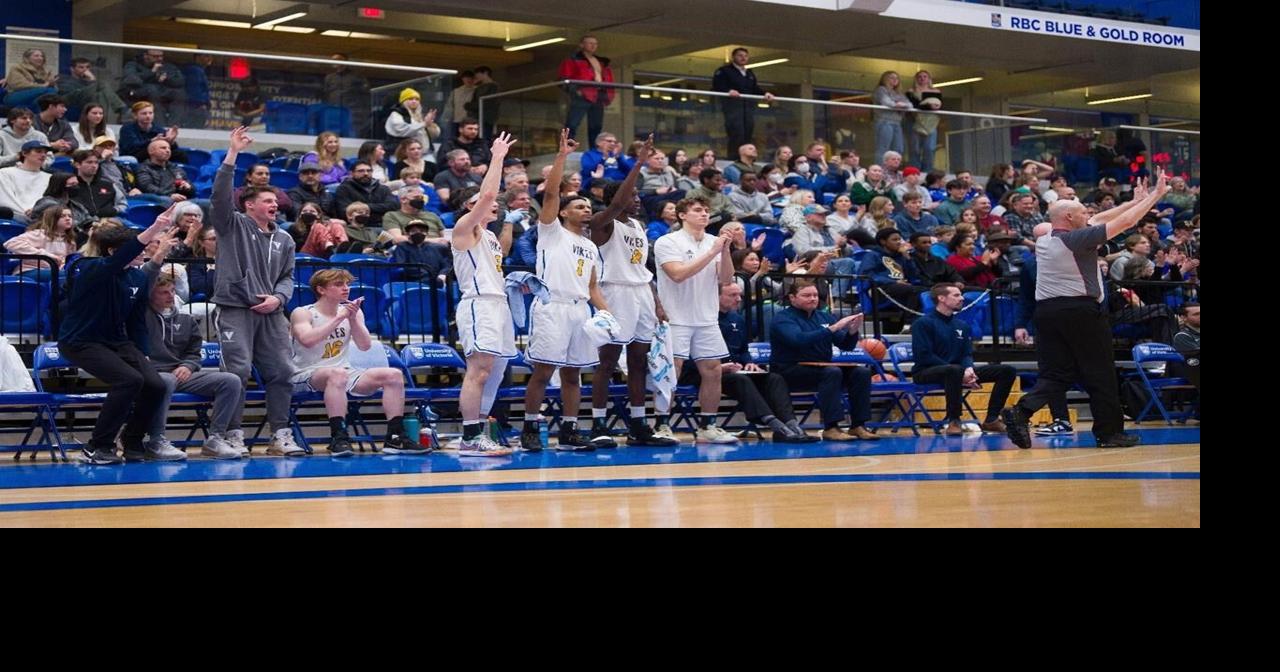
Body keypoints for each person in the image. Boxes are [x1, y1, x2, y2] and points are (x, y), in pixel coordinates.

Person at [1002, 173, 1172, 450]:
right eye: (1083, 212)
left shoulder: (1046, 237)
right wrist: (1155, 196)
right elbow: (1126, 223)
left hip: (1047, 312)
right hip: (1079, 311)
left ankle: (1021, 411)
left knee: (1056, 373)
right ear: (1069, 218)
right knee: (1101, 372)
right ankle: (1109, 433)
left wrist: (1132, 201)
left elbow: (1100, 218)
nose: (1089, 215)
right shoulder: (1077, 239)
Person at [58, 205, 183, 465]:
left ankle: (133, 440)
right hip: (81, 341)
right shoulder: (89, 267)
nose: (144, 252)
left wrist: (143, 353)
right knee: (128, 380)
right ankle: (97, 446)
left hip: (117, 341)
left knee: (156, 384)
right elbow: (118, 260)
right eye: (138, 248)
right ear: (114, 251)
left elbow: (136, 321)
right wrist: (155, 228)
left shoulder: (137, 277)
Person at [520, 129, 614, 451]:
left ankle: (570, 430)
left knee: (574, 374)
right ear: (563, 212)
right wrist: (562, 156)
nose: (586, 209)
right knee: (543, 371)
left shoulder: (590, 245)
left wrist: (608, 314)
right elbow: (550, 195)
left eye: (588, 207)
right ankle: (530, 427)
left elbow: (592, 287)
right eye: (579, 206)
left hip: (579, 310)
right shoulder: (552, 232)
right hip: (552, 306)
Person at [210, 127, 300, 458]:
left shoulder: (286, 239)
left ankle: (280, 435)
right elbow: (219, 197)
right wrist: (232, 154)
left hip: (272, 313)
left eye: (276, 201)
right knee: (238, 372)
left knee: (283, 371)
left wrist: (279, 298)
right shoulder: (231, 224)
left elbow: (288, 277)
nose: (275, 204)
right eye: (267, 201)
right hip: (235, 308)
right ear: (249, 205)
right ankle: (231, 434)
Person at [586, 136, 680, 448]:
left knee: (640, 360)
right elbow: (615, 205)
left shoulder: (639, 227)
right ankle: (598, 423)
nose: (637, 199)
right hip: (615, 293)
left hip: (641, 293)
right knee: (608, 360)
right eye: (632, 195)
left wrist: (657, 302)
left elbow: (642, 269)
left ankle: (638, 424)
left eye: (639, 195)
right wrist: (639, 163)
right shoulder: (602, 222)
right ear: (617, 197)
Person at [289, 269, 422, 456]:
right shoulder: (303, 313)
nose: (346, 288)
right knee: (337, 374)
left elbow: (365, 345)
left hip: (343, 372)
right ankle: (339, 437)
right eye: (338, 284)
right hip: (304, 373)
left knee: (393, 375)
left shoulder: (352, 312)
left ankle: (395, 437)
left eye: (347, 284)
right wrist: (339, 318)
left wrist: (353, 320)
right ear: (321, 289)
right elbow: (307, 340)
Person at [449, 133, 520, 457]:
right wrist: (498, 157)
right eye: (484, 201)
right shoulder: (465, 228)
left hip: (498, 304)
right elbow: (490, 192)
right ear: (470, 206)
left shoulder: (489, 236)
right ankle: (469, 436)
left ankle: (480, 429)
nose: (494, 203)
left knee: (496, 371)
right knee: (478, 370)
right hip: (479, 305)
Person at [653, 194, 740, 444]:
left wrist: (724, 251)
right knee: (671, 371)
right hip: (675, 317)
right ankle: (661, 425)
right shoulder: (667, 241)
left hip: (706, 317)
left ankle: (708, 426)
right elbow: (678, 274)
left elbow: (726, 279)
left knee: (713, 371)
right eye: (698, 210)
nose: (704, 214)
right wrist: (713, 251)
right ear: (682, 215)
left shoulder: (714, 242)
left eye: (706, 211)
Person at [680, 283, 815, 442]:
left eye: (740, 295)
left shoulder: (737, 319)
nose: (739, 299)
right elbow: (685, 356)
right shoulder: (699, 320)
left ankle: (791, 424)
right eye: (733, 295)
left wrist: (749, 362)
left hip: (735, 370)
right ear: (715, 297)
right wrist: (718, 367)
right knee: (740, 380)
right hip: (702, 373)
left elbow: (743, 349)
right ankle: (773, 423)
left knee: (774, 378)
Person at [144, 273, 244, 460]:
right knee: (166, 381)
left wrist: (188, 366)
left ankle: (215, 439)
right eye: (164, 292)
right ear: (150, 294)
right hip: (153, 375)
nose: (170, 295)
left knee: (231, 380)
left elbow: (194, 351)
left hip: (182, 374)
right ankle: (156, 440)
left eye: (172, 291)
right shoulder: (140, 318)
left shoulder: (186, 319)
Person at [769, 280, 879, 441]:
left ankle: (858, 425)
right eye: (806, 295)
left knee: (861, 372)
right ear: (792, 298)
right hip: (789, 370)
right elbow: (798, 340)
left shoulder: (824, 316)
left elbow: (845, 345)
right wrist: (832, 329)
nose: (813, 298)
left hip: (820, 368)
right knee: (831, 372)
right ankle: (831, 427)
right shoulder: (782, 319)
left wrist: (852, 332)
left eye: (815, 295)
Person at [912, 283, 1016, 435]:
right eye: (956, 295)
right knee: (953, 370)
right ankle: (954, 420)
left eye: (961, 295)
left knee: (1007, 371)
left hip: (957, 372)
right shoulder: (922, 323)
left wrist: (968, 369)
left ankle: (992, 419)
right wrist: (961, 373)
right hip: (926, 371)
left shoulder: (962, 325)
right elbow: (924, 355)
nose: (961, 298)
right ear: (941, 298)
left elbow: (966, 354)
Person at [712, 48, 774, 155]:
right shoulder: (724, 71)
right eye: (740, 55)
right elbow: (717, 85)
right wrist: (728, 91)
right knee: (736, 134)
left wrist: (765, 94)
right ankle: (734, 158)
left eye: (745, 56)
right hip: (733, 107)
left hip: (748, 108)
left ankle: (745, 157)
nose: (743, 58)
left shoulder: (749, 73)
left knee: (747, 133)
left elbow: (754, 89)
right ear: (733, 57)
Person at [558, 36, 615, 144]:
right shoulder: (573, 60)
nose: (593, 46)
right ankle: (566, 147)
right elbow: (564, 79)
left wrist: (608, 94)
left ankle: (594, 149)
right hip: (582, 95)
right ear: (582, 45)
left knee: (596, 126)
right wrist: (576, 91)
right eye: (590, 43)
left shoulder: (601, 62)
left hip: (598, 95)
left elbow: (607, 78)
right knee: (572, 124)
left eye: (595, 43)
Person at [59, 57, 130, 124]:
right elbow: (73, 95)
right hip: (70, 100)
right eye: (81, 67)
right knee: (101, 84)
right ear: (72, 69)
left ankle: (101, 121)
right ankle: (122, 109)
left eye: (87, 67)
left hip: (87, 102)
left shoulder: (86, 82)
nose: (85, 70)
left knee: (100, 94)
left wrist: (91, 83)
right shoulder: (65, 80)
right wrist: (92, 81)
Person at [323, 54, 370, 136]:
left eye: (337, 59)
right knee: (333, 131)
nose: (334, 61)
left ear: (345, 61)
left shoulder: (356, 76)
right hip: (334, 108)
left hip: (352, 110)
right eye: (332, 59)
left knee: (351, 131)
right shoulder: (329, 77)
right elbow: (326, 93)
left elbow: (365, 92)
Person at [905, 70, 942, 172]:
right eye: (920, 77)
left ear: (929, 79)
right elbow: (912, 106)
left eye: (925, 76)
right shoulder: (911, 91)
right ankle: (914, 171)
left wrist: (925, 105)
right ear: (916, 79)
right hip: (914, 121)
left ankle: (927, 171)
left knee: (929, 148)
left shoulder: (935, 91)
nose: (922, 79)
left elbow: (938, 106)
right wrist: (928, 105)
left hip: (930, 122)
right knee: (915, 148)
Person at [873, 71, 912, 160]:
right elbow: (886, 102)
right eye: (892, 77)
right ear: (885, 79)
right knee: (883, 149)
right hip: (884, 121)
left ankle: (893, 167)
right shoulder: (881, 90)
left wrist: (900, 105)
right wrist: (897, 104)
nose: (895, 80)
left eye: (897, 78)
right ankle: (880, 168)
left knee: (898, 149)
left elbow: (910, 105)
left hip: (897, 123)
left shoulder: (898, 93)